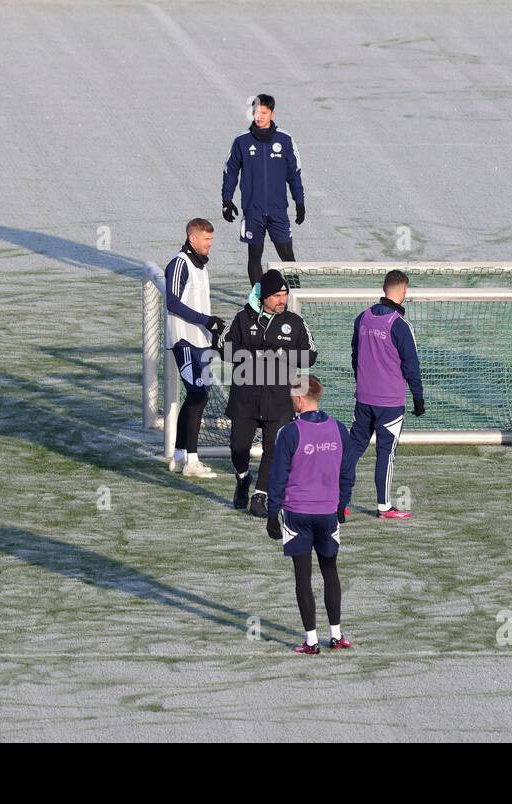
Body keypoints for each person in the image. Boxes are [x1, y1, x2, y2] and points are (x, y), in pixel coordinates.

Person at [266, 375, 355, 655]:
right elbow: (347, 472)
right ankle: (337, 635)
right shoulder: (339, 430)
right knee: (330, 572)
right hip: (327, 512)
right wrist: (342, 504)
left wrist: (272, 513)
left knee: (302, 578)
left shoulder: (290, 433)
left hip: (296, 514)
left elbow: (277, 476)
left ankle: (311, 641)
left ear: (301, 399)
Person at [223, 269, 317, 517]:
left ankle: (260, 496)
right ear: (264, 296)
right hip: (245, 398)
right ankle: (243, 478)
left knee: (273, 449)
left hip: (280, 401)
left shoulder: (295, 322)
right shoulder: (242, 318)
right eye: (276, 295)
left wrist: (283, 355)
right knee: (238, 447)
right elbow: (224, 348)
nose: (282, 300)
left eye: (284, 295)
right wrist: (252, 355)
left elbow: (311, 355)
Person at [349, 270, 424, 518]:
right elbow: (411, 365)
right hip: (390, 403)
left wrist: (363, 382)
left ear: (384, 289)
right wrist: (418, 397)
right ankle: (383, 507)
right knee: (386, 453)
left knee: (354, 447)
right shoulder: (400, 325)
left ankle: (338, 501)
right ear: (403, 291)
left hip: (363, 398)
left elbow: (355, 356)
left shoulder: (362, 318)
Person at [221, 93, 306, 287]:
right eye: (256, 112)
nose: (259, 117)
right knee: (254, 255)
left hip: (278, 211)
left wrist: (299, 202)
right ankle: (258, 301)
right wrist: (227, 200)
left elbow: (294, 173)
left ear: (272, 113)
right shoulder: (241, 141)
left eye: (264, 113)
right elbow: (230, 171)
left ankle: (296, 298)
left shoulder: (285, 140)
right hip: (253, 211)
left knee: (287, 256)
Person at [164, 218, 226, 477]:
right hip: (184, 341)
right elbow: (172, 302)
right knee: (198, 395)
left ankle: (180, 455)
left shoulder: (201, 266)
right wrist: (205, 320)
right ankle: (191, 460)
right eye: (206, 240)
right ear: (193, 238)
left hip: (201, 342)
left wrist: (211, 332)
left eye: (211, 240)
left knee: (197, 397)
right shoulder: (180, 263)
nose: (210, 244)